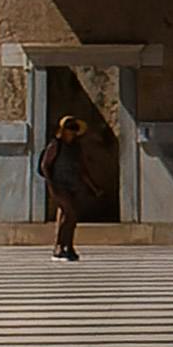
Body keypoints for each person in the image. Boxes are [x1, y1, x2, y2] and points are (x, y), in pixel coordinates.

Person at [39, 104, 109, 264]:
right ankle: (58, 246)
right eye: (69, 128)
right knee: (69, 213)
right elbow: (45, 165)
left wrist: (93, 187)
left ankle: (68, 246)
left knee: (70, 216)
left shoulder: (76, 147)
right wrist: (51, 184)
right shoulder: (56, 145)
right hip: (59, 185)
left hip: (74, 185)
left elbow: (82, 168)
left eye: (74, 128)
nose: (72, 131)